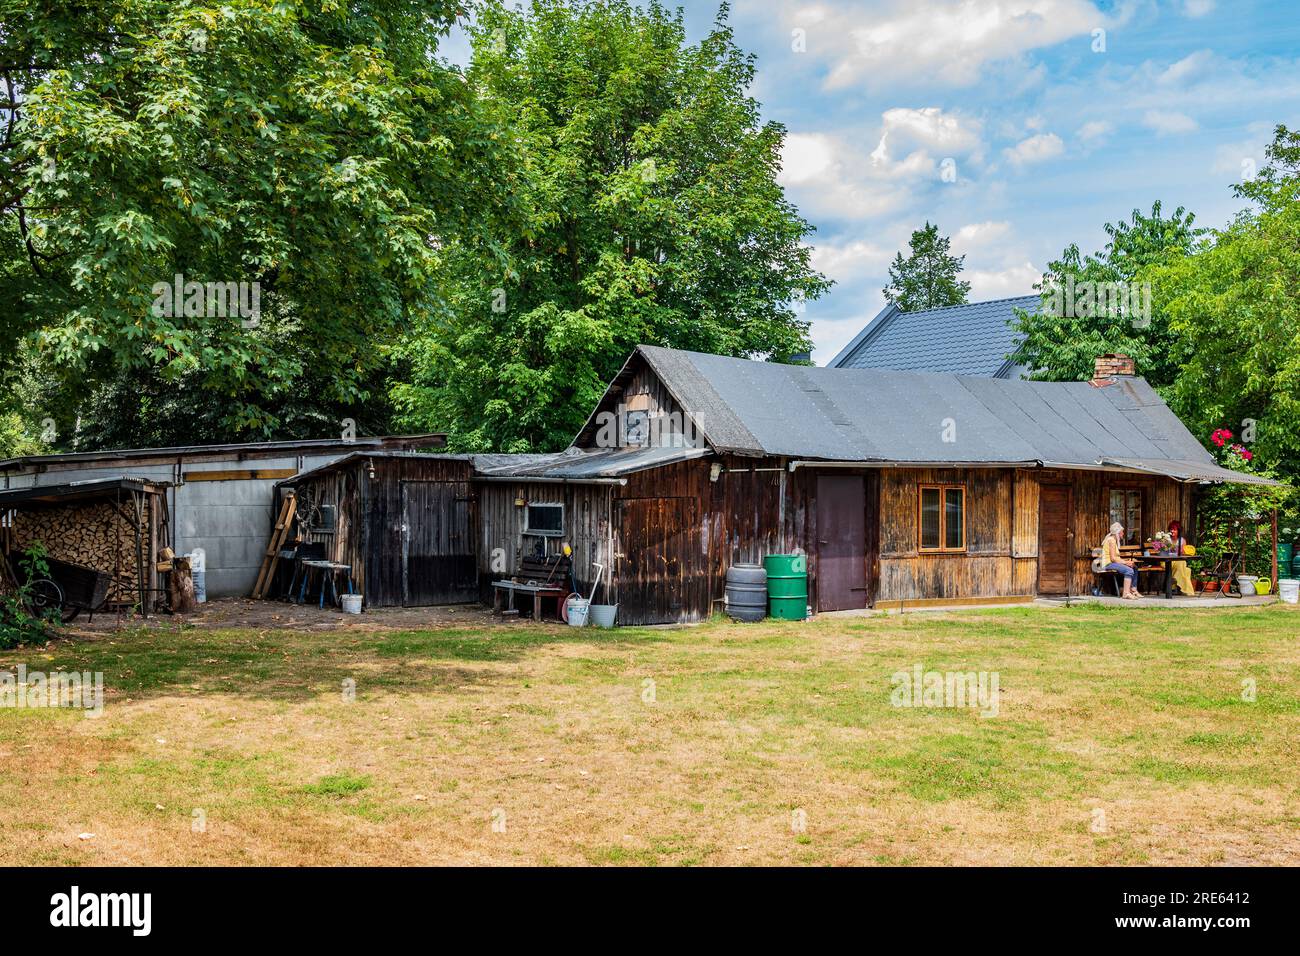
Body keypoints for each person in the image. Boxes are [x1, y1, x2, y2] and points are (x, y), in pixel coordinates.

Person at [1102, 522, 1141, 598]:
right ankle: (1126, 593)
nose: (1123, 534)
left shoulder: (1113, 540)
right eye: (1122, 532)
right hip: (1108, 564)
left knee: (1134, 567)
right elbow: (1113, 559)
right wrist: (1126, 562)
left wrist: (1127, 562)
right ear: (1118, 532)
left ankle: (1133, 590)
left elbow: (1116, 558)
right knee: (1129, 570)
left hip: (1112, 563)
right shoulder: (1111, 540)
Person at [1167, 520, 1196, 596]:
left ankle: (1174, 587)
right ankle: (1184, 589)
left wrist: (1181, 551)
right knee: (1184, 569)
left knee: (1183, 564)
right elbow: (1162, 551)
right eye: (1171, 529)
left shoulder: (1182, 540)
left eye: (1174, 529)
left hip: (1178, 560)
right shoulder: (1166, 539)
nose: (1172, 531)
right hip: (1167, 561)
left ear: (1178, 531)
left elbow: (1183, 553)